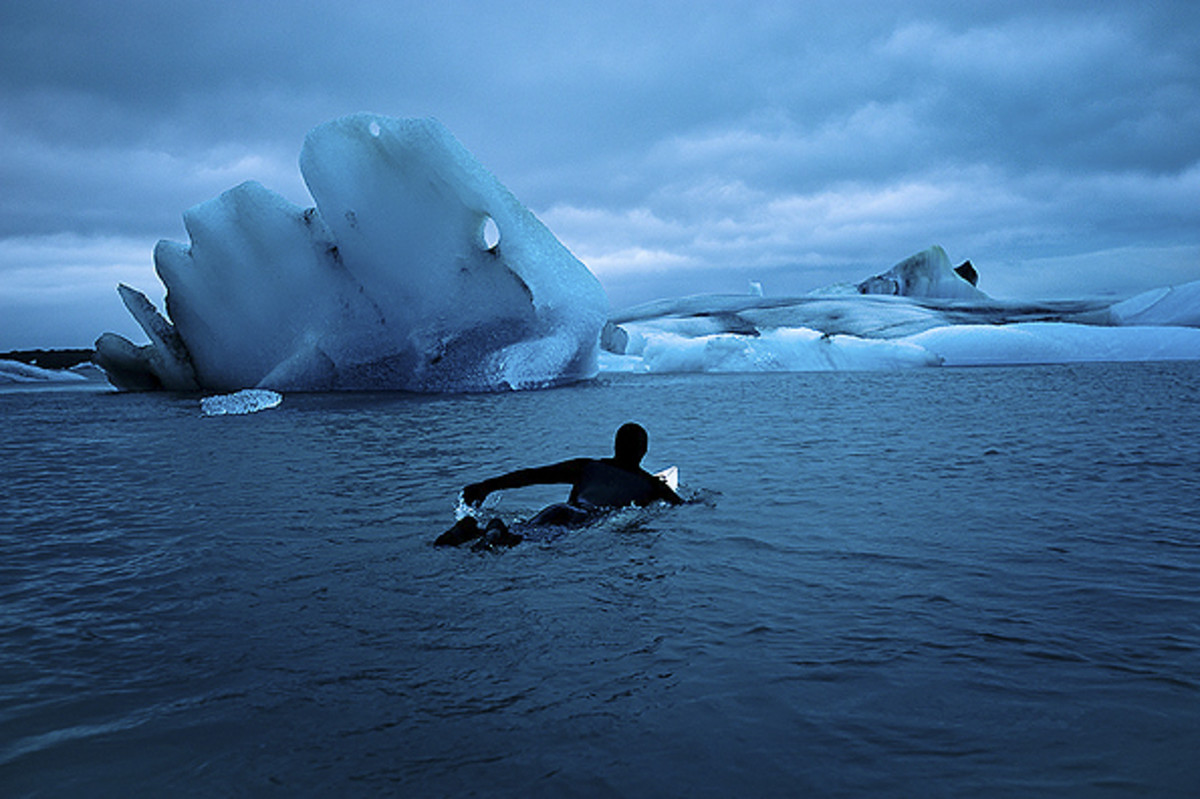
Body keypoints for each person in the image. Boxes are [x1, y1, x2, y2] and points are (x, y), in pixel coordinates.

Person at [434, 422, 683, 547]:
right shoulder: (651, 486)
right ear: (644, 451)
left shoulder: (586, 466)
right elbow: (684, 507)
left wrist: (486, 486)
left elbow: (532, 476)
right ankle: (490, 532)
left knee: (523, 531)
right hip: (579, 520)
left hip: (556, 510)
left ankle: (473, 529)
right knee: (524, 542)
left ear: (615, 446)